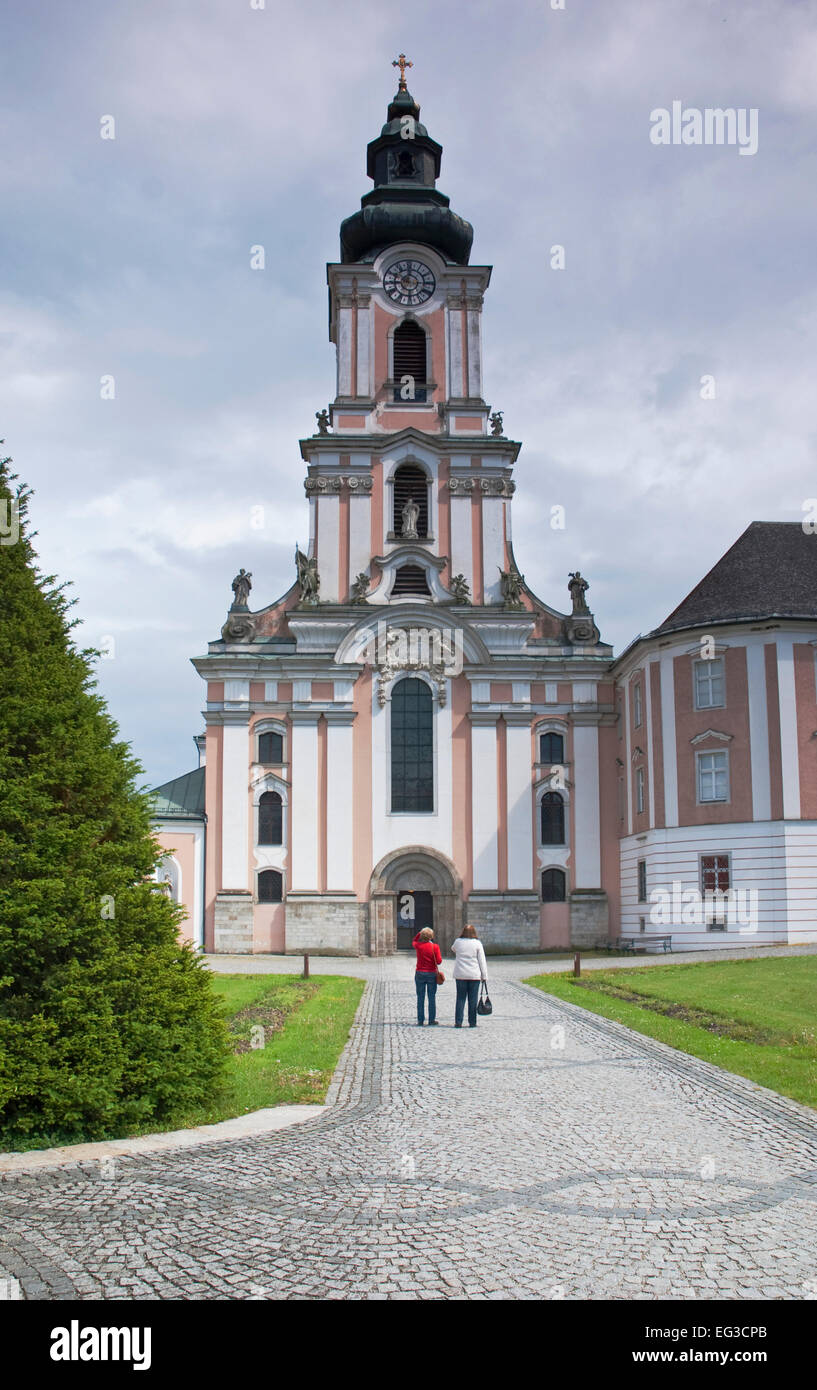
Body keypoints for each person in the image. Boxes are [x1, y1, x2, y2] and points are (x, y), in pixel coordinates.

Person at [451, 924, 488, 1028]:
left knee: (460, 998)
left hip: (460, 974)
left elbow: (453, 949)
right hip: (473, 975)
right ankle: (472, 1022)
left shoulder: (458, 942)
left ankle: (458, 1022)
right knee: (473, 999)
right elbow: (482, 960)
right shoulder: (477, 943)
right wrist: (484, 975)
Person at [412, 926, 442, 1026]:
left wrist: (419, 933)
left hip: (420, 973)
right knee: (431, 997)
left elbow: (414, 941)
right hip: (431, 974)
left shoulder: (418, 946)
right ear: (431, 936)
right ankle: (431, 1020)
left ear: (422, 936)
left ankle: (420, 1020)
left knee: (420, 997)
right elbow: (439, 961)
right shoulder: (435, 947)